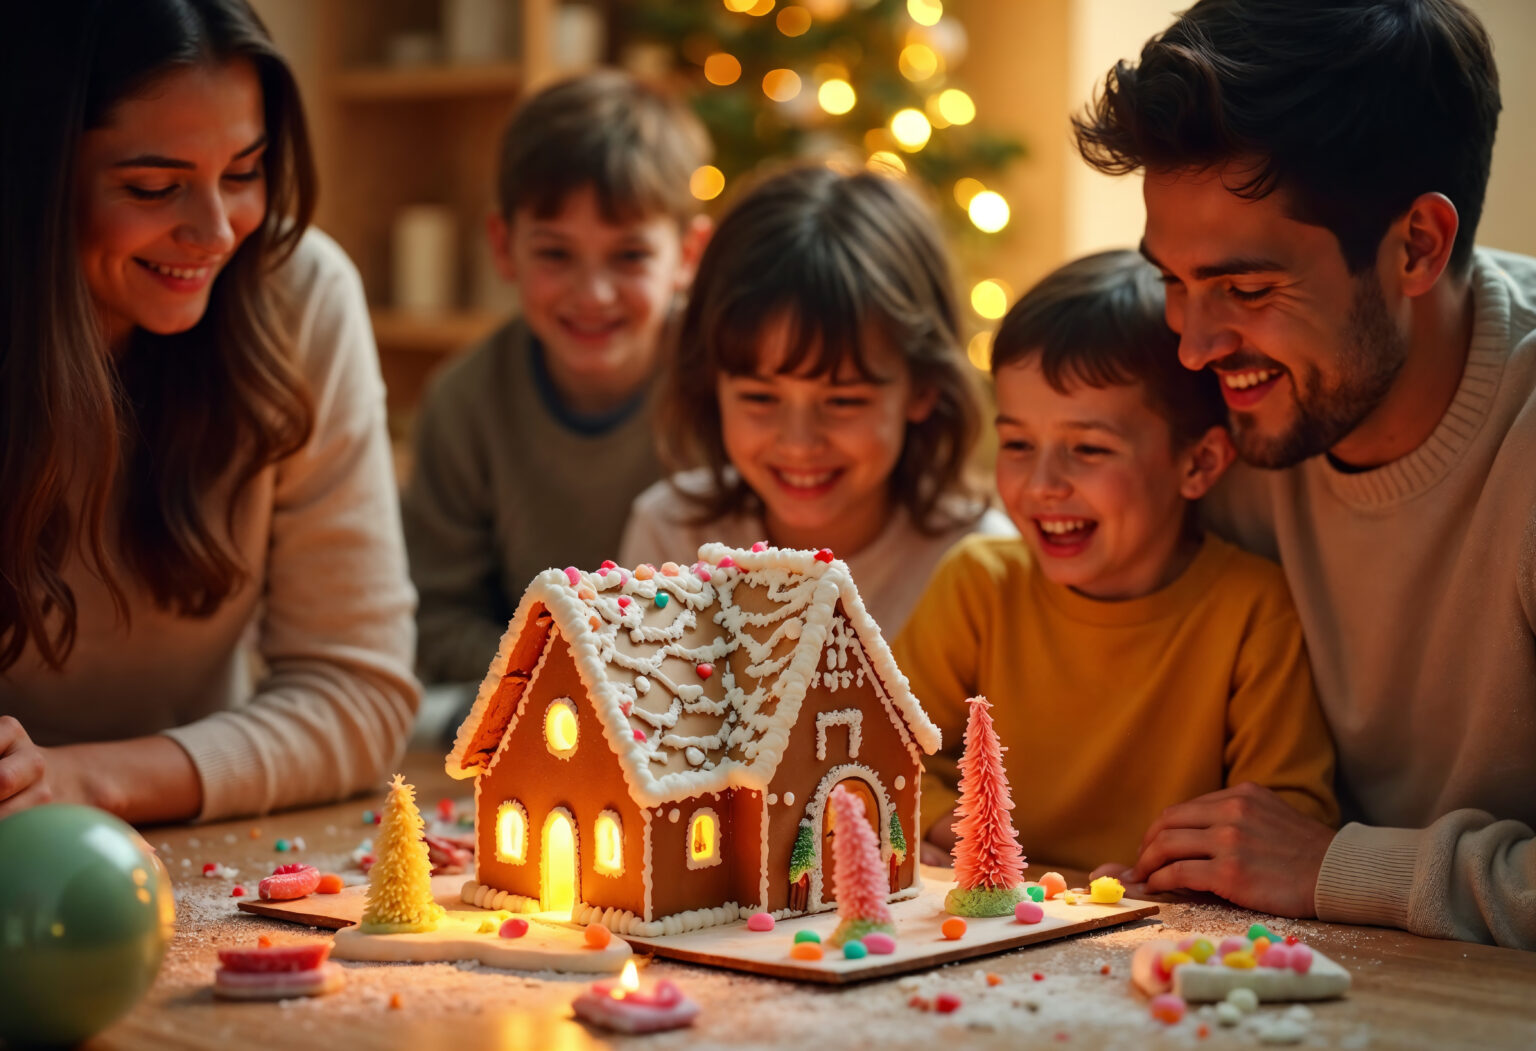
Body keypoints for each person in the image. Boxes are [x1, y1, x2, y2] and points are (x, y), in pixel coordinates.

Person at [1074, 0, 1536, 947]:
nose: (1195, 347)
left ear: (1417, 246)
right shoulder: (1217, 419)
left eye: (1247, 289)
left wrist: (1339, 866)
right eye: (1172, 281)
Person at [0, 0, 419, 825]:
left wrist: (84, 779)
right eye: (154, 186)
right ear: (32, 175)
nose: (217, 230)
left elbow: (358, 693)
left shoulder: (301, 296)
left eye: (244, 172)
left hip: (193, 835)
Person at [894, 251, 1338, 871]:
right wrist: (957, 828)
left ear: (1199, 464)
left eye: (1089, 448)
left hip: (1158, 935)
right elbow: (880, 755)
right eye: (1018, 443)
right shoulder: (978, 583)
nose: (1042, 483)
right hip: (987, 917)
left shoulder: (1254, 610)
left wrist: (1184, 877)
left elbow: (1286, 818)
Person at [403, 71, 712, 686]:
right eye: (555, 254)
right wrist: (575, 673)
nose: (592, 294)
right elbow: (435, 618)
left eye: (629, 256)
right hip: (537, 712)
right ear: (503, 245)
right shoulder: (463, 402)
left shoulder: (730, 388)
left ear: (687, 255)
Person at [619, 165, 1013, 637]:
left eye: (843, 401)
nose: (799, 442)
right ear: (712, 383)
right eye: (760, 397)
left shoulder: (980, 563)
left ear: (923, 388)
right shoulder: (671, 535)